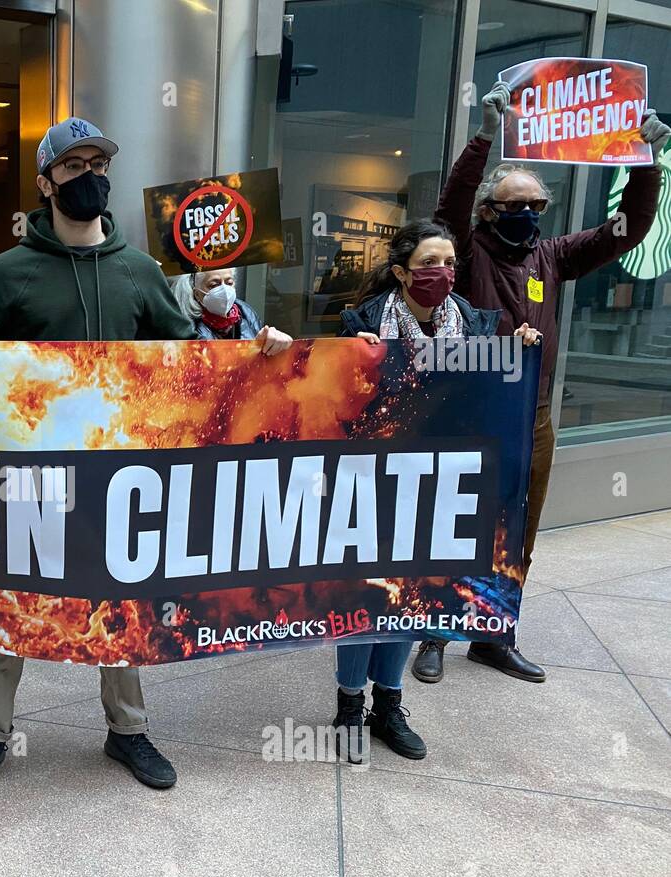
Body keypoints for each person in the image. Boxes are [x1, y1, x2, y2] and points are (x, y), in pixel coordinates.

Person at [0, 117, 197, 801]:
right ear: (45, 182)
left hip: (116, 474)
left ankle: (129, 729)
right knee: (10, 603)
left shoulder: (140, 271)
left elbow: (193, 362)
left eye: (98, 162)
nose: (89, 175)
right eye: (73, 165)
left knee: (119, 600)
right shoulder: (10, 273)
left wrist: (256, 347)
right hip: (25, 479)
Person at [415, 82, 671, 685]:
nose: (527, 214)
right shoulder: (467, 252)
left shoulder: (554, 256)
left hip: (531, 421)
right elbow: (449, 209)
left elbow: (630, 227)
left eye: (536, 205)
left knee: (517, 531)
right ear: (488, 212)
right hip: (466, 417)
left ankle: (493, 635)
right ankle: (433, 635)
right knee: (452, 526)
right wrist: (483, 139)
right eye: (514, 205)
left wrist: (645, 162)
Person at [337, 219, 540, 761]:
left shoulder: (475, 326)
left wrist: (517, 351)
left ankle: (389, 705)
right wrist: (350, 359)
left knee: (414, 596)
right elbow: (333, 403)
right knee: (365, 595)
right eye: (430, 264)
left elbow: (491, 396)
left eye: (449, 263)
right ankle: (349, 707)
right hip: (373, 482)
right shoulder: (361, 323)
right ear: (402, 272)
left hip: (441, 486)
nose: (442, 273)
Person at [168, 268, 294, 351]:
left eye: (229, 283)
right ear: (197, 294)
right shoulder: (185, 326)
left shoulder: (246, 313)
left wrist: (270, 344)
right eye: (214, 285)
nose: (224, 290)